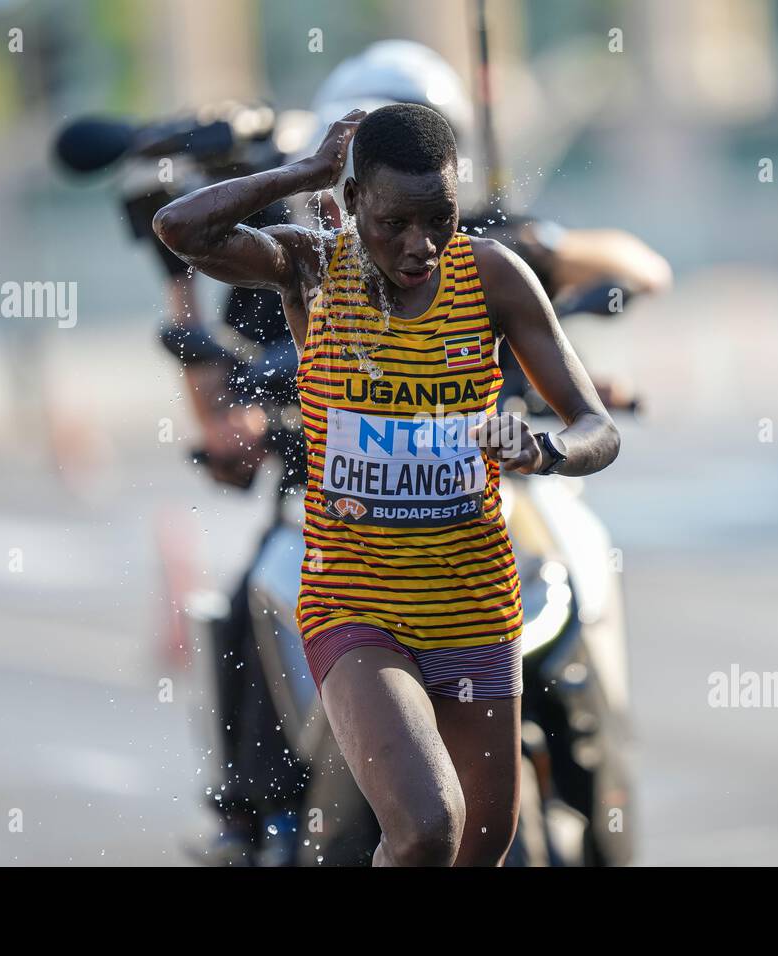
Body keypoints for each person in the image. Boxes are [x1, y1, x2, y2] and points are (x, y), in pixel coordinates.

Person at [154, 103, 620, 866]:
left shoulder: (493, 277)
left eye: (438, 218)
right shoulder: (312, 265)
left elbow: (596, 427)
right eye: (394, 222)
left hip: (474, 606)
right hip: (358, 606)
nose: (419, 245)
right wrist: (305, 168)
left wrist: (545, 449)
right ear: (352, 200)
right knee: (428, 825)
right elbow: (181, 230)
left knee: (479, 848)